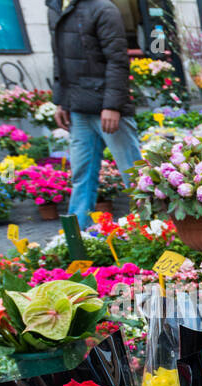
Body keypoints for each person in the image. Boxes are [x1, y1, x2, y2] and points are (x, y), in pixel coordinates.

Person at [48, 0, 142, 228]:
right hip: (78, 107)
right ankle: (75, 238)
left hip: (106, 107)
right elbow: (59, 60)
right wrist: (61, 102)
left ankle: (157, 230)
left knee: (137, 177)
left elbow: (117, 61)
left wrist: (112, 106)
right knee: (81, 175)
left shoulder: (102, 8)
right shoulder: (56, 7)